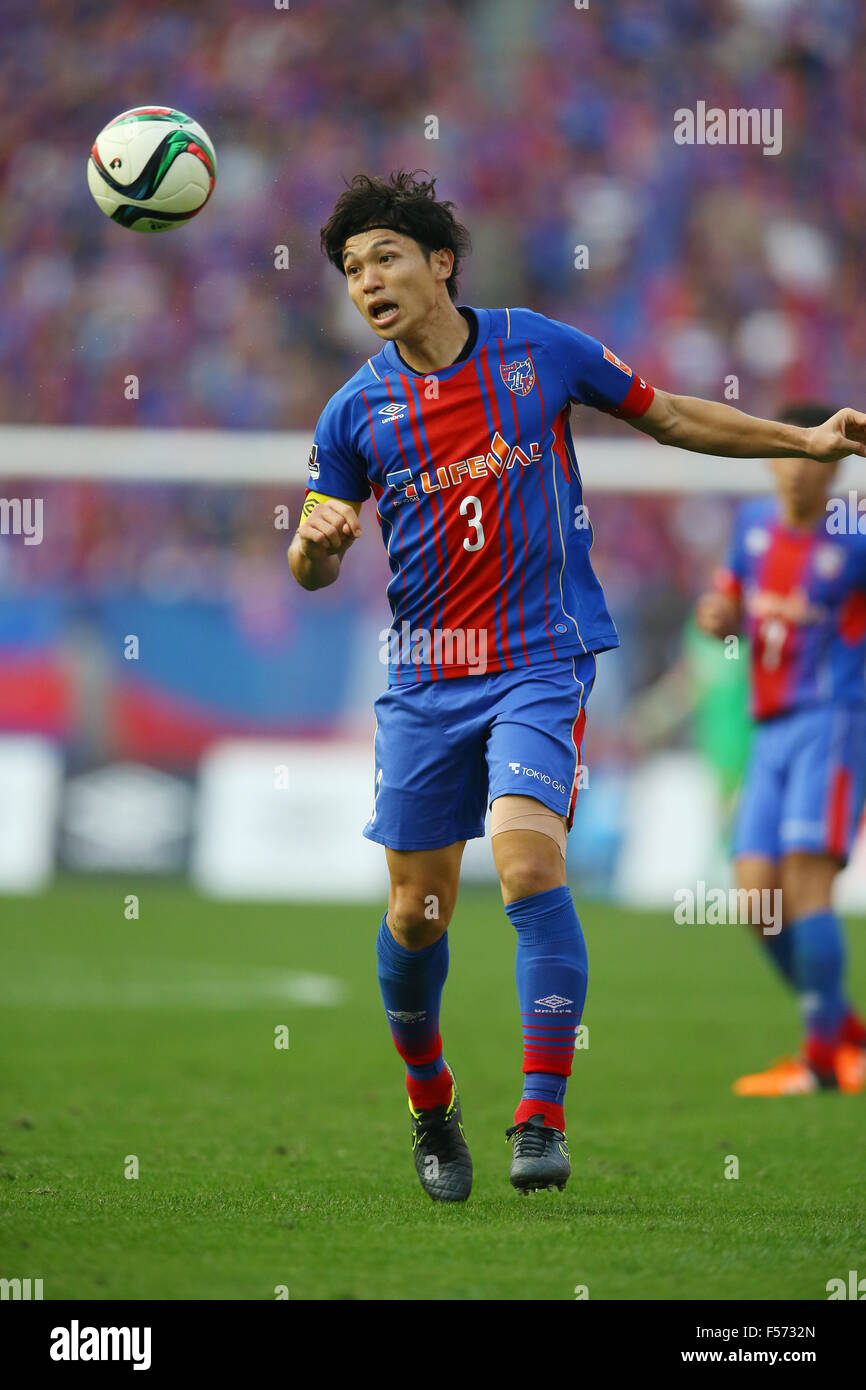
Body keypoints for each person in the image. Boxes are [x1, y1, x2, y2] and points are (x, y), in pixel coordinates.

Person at [288, 171, 866, 1199]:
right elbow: (312, 557)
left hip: (537, 660)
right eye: (349, 269)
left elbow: (672, 417)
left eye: (383, 258)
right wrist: (314, 543)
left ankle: (538, 1116)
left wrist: (803, 439)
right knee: (417, 914)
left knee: (525, 868)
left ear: (439, 264)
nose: (365, 280)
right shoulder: (353, 413)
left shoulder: (534, 347)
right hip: (422, 681)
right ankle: (431, 1106)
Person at [696, 404, 866, 1096]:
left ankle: (822, 1061)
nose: (798, 468)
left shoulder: (855, 536)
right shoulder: (752, 527)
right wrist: (718, 615)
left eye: (814, 456)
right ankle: (843, 1031)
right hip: (767, 728)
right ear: (771, 456)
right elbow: (727, 599)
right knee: (756, 902)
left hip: (833, 723)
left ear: (835, 465)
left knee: (806, 886)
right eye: (789, 452)